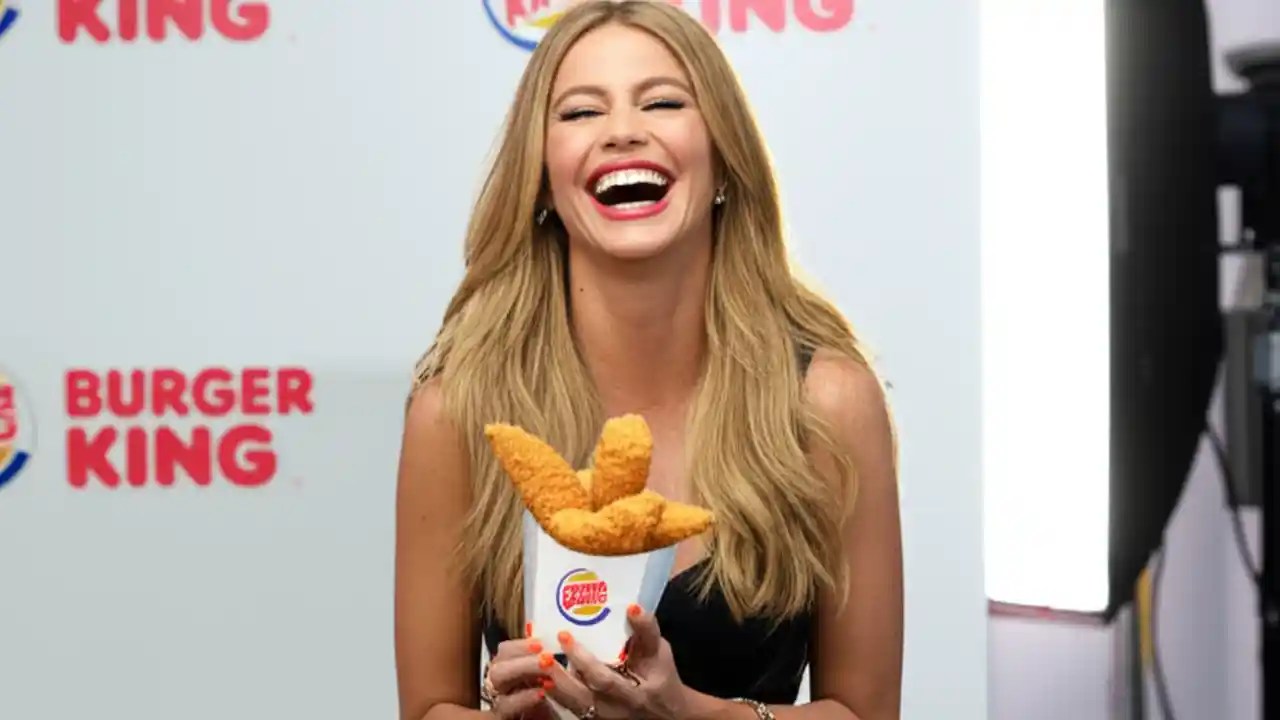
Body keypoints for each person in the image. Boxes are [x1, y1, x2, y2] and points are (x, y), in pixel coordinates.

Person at [394, 2, 902, 718]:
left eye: (663, 101)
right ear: (540, 178)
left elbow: (868, 711)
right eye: (579, 113)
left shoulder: (826, 405)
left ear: (724, 158)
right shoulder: (457, 412)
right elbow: (426, 710)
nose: (623, 131)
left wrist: (691, 715)